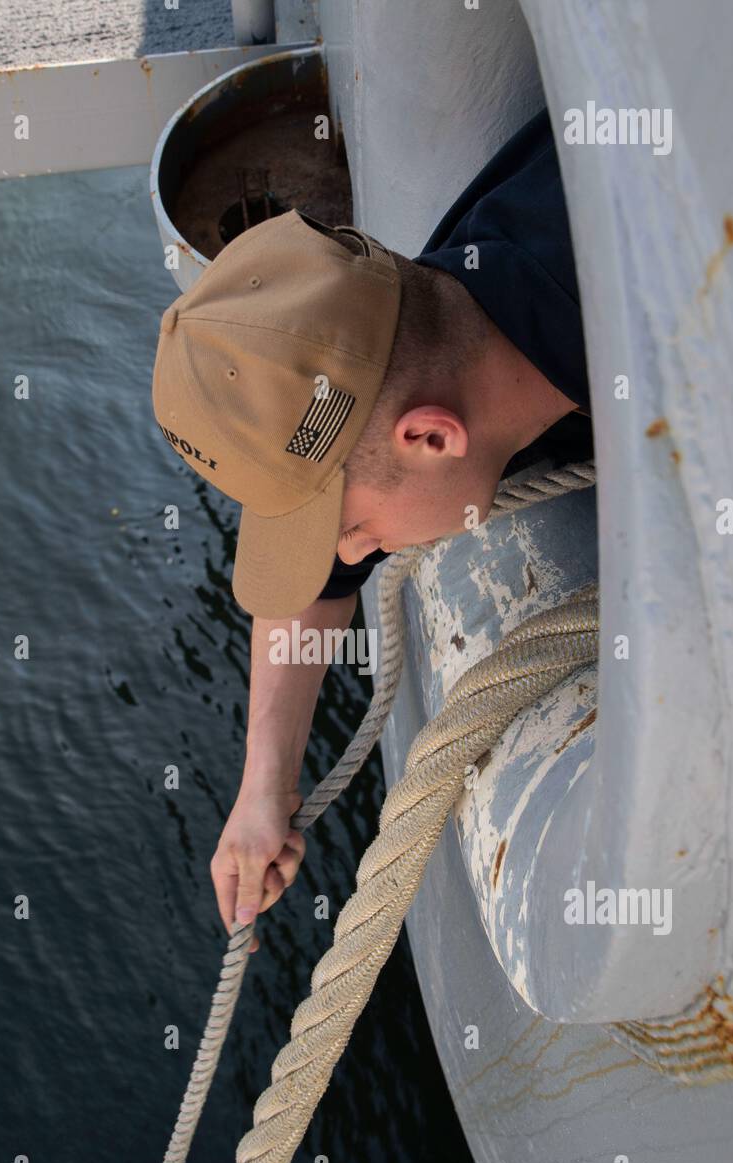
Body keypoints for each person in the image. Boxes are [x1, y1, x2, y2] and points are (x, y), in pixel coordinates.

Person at [151, 108, 593, 951]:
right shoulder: (446, 312)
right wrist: (263, 787)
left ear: (432, 438)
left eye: (348, 527)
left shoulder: (687, 326)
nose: (350, 556)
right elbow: (320, 581)